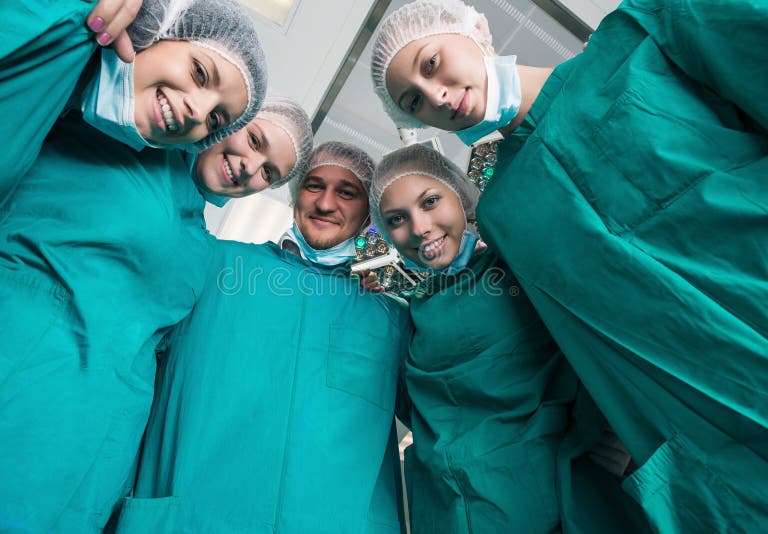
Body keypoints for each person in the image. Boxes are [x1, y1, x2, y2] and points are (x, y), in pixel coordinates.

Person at [371, 0, 768, 530]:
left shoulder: (642, 33)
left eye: (431, 63)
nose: (437, 96)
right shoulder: (504, 213)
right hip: (705, 427)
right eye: (413, 101)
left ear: (476, 29)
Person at [0, 91, 312, 532]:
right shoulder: (118, 138)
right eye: (256, 140)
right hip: (10, 373)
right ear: (230, 118)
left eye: (270, 172)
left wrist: (372, 256)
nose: (250, 166)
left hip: (88, 443)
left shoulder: (206, 248)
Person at [112, 142, 410, 533]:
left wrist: (427, 293)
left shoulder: (388, 315)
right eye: (313, 186)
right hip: (193, 516)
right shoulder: (216, 264)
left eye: (347, 192)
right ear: (294, 192)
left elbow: (445, 411)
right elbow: (125, 373)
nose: (325, 203)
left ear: (369, 211)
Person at [370, 144, 645, 533]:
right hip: (452, 506)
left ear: (461, 195)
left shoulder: (518, 264)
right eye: (397, 219)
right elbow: (418, 409)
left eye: (430, 201)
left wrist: (616, 440)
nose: (419, 227)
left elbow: (608, 342)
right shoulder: (415, 313)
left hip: (555, 494)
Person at [0, 0, 266, 251]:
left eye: (215, 120)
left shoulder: (58, 117)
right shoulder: (45, 24)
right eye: (199, 72)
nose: (198, 113)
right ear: (156, 24)